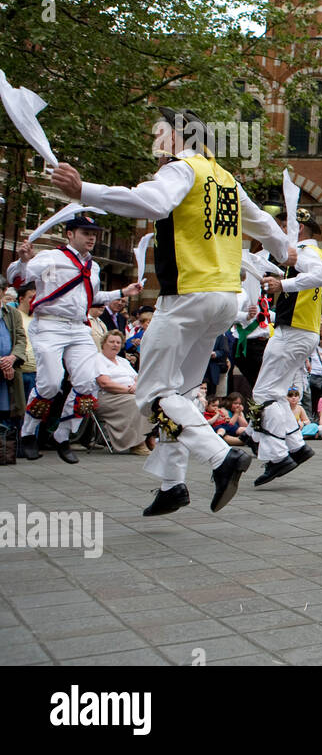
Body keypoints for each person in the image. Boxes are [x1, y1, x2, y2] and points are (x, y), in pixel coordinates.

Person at [51, 106, 291, 515]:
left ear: (180, 137)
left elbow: (152, 202)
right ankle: (171, 484)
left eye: (160, 135)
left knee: (152, 393)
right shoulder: (227, 179)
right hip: (224, 300)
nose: (155, 144)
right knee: (178, 394)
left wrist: (82, 191)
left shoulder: (181, 170)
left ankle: (221, 458)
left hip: (187, 298)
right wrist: (288, 254)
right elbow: (269, 230)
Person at [7, 216, 143, 463]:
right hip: (49, 324)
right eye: (85, 232)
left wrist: (123, 292)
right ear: (70, 234)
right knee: (50, 382)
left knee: (88, 384)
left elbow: (92, 296)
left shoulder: (94, 267)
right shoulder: (51, 257)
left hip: (79, 327)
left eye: (94, 233)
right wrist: (23, 260)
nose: (92, 237)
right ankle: (27, 433)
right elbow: (17, 277)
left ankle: (63, 435)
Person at [247, 210, 322, 488]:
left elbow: (321, 278)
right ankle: (296, 445)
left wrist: (282, 283)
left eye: (285, 226)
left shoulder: (305, 252)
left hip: (293, 331)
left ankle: (277, 455)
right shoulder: (316, 253)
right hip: (303, 331)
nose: (280, 230)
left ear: (300, 230)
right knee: (276, 392)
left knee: (263, 392)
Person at [93, 330, 153, 455]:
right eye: (111, 342)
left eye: (118, 342)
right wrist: (128, 390)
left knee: (153, 400)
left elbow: (137, 378)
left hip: (129, 393)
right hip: (108, 397)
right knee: (137, 402)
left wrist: (136, 386)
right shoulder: (98, 359)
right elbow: (104, 383)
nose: (115, 345)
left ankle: (149, 438)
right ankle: (137, 443)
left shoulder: (123, 361)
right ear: (103, 344)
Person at [0, 293, 27, 440]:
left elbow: (21, 339)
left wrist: (12, 358)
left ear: (3, 291)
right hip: (5, 366)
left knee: (8, 412)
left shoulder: (13, 314)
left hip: (9, 370)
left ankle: (5, 450)